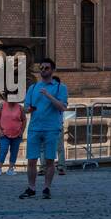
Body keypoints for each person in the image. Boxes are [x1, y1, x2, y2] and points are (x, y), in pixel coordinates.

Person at [20, 59, 67, 200]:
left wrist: (48, 95)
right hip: (34, 128)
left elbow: (62, 107)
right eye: (41, 68)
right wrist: (28, 109)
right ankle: (32, 187)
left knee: (49, 160)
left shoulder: (60, 88)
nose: (43, 70)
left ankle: (46, 188)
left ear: (52, 70)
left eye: (46, 68)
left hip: (51, 128)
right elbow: (26, 108)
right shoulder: (33, 88)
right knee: (31, 160)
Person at [0, 91, 25, 176]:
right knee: (3, 150)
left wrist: (22, 131)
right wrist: (0, 130)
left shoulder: (20, 107)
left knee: (14, 151)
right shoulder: (2, 106)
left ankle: (10, 169)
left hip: (17, 134)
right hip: (4, 134)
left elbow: (24, 120)